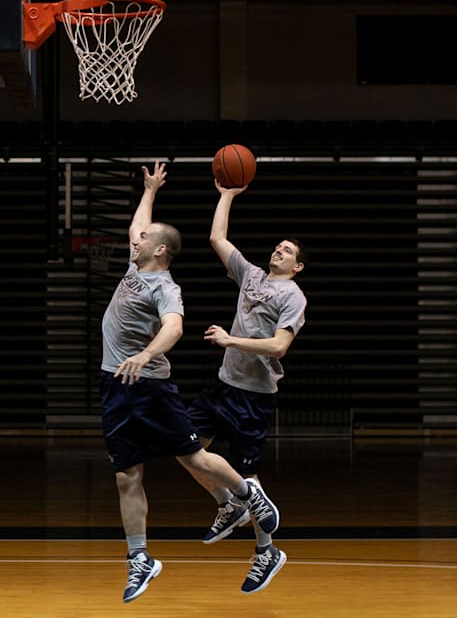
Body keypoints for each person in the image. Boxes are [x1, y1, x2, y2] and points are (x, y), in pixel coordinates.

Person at [101, 161, 282, 603]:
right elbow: (138, 225)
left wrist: (146, 354)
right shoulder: (134, 266)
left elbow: (175, 328)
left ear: (159, 251)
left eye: (144, 239)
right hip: (114, 385)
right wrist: (149, 191)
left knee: (196, 459)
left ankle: (246, 496)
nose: (136, 238)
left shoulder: (164, 286)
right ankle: (140, 559)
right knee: (127, 476)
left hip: (149, 387)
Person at [186, 179, 308, 594]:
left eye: (287, 250)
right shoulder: (251, 275)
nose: (279, 250)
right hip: (222, 386)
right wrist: (227, 194)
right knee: (185, 449)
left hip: (253, 397)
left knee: (250, 478)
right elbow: (217, 237)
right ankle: (227, 504)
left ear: (297, 267)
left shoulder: (293, 296)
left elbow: (278, 347)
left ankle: (266, 550)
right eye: (278, 246)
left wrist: (229, 339)